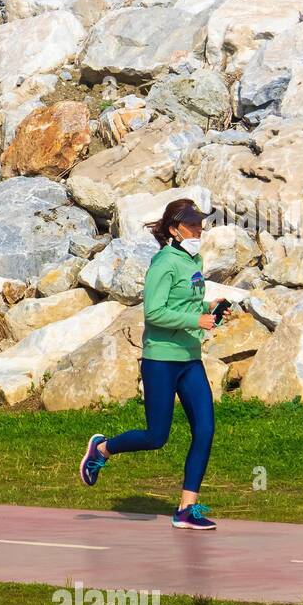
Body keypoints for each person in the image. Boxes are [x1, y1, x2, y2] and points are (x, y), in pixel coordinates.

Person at [78, 199, 229, 530]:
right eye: (192, 226)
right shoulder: (163, 263)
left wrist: (209, 307)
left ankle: (186, 509)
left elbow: (184, 302)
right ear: (174, 230)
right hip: (161, 360)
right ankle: (102, 449)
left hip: (190, 359)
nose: (198, 231)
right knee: (156, 436)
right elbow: (154, 312)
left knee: (205, 430)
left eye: (200, 225)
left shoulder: (193, 260)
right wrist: (197, 319)